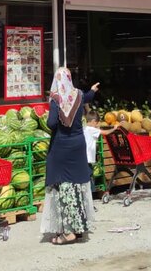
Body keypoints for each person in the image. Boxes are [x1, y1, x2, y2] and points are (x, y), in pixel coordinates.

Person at [40, 68, 100, 246]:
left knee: (63, 187)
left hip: (61, 148)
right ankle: (79, 228)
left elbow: (52, 123)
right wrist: (92, 91)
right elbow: (87, 97)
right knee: (77, 185)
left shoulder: (56, 99)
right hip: (78, 146)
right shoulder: (78, 95)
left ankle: (69, 232)